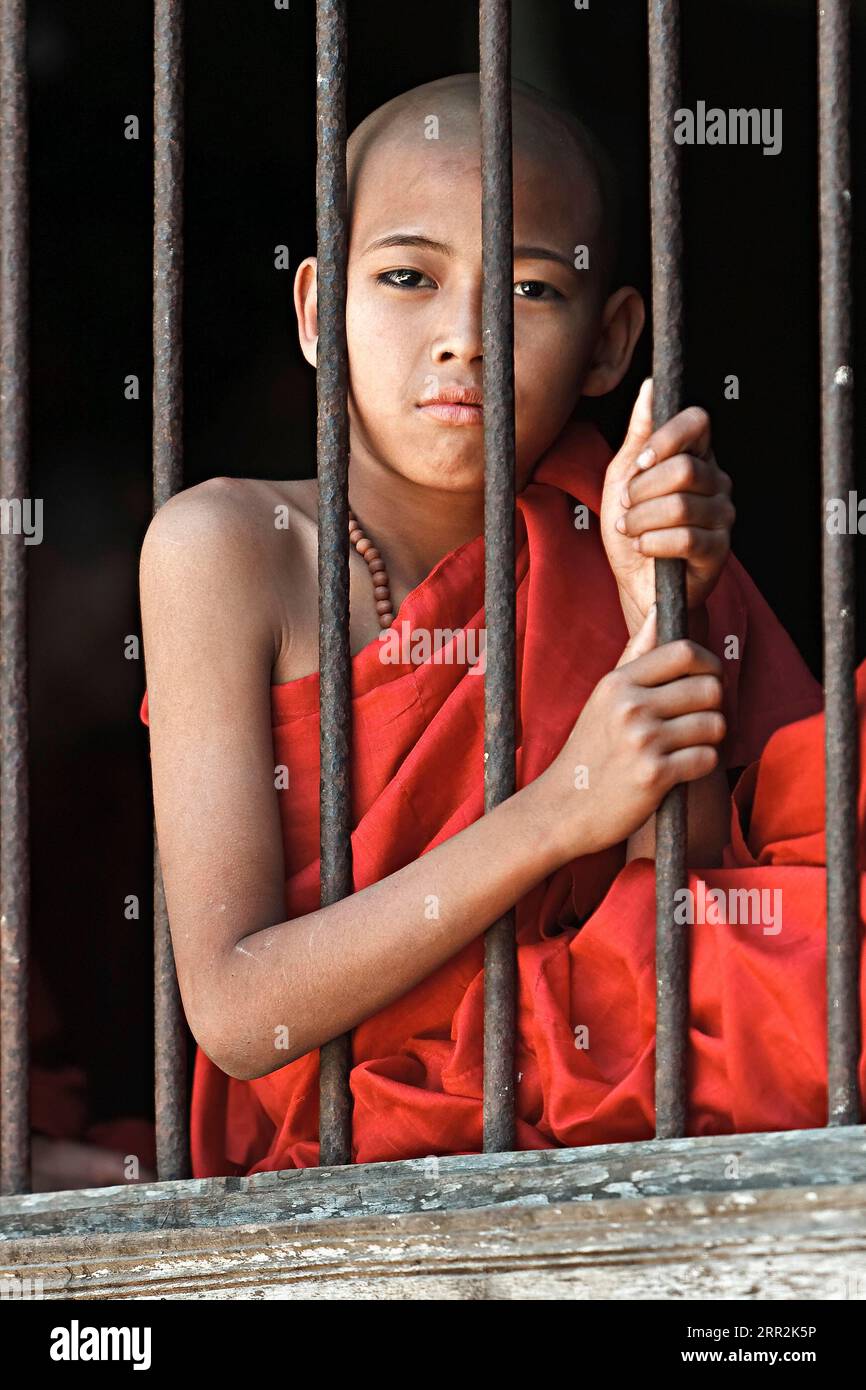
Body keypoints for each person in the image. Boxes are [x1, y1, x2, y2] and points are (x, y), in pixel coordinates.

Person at [138, 73, 858, 1177]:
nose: (462, 338)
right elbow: (238, 1013)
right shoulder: (229, 547)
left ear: (611, 342)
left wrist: (648, 602)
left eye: (527, 291)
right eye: (406, 277)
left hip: (594, 1048)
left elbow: (692, 904)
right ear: (317, 311)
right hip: (362, 1103)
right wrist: (562, 803)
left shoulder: (604, 514)